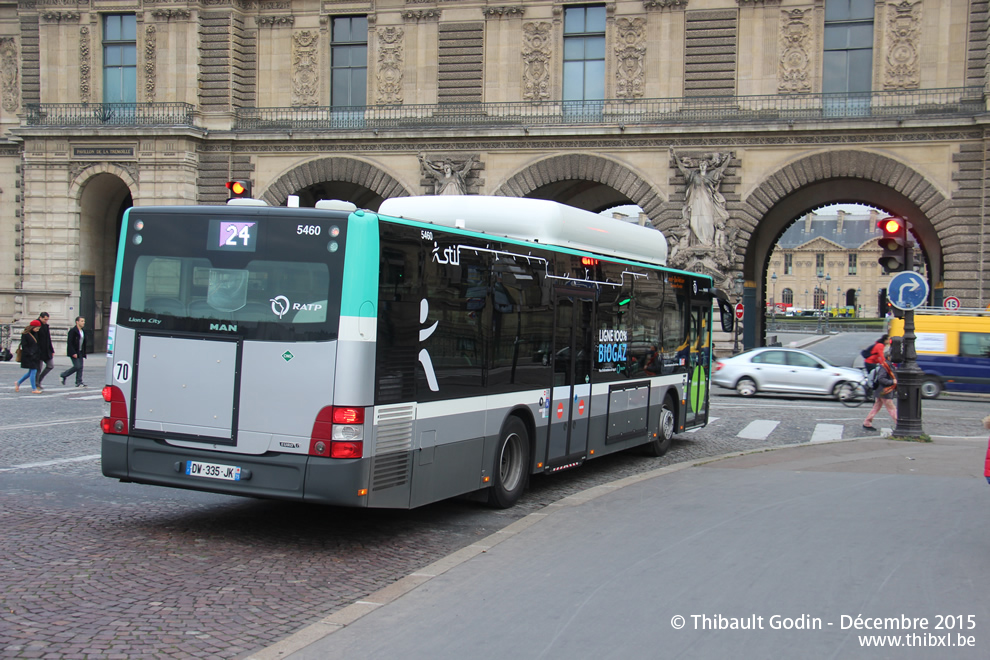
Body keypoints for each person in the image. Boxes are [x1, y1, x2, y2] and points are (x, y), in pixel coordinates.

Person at [863, 351, 897, 430]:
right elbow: (881, 378)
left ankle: (867, 422)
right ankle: (899, 424)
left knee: (876, 407)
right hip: (885, 391)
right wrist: (892, 382)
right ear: (888, 356)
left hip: (881, 391)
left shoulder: (887, 365)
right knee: (891, 408)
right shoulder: (886, 366)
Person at [15, 320, 43, 393]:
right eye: (37, 328)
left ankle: (18, 383)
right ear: (32, 327)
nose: (38, 330)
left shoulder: (36, 334)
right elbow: (24, 345)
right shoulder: (25, 334)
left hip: (35, 355)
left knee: (31, 372)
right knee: (33, 371)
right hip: (29, 356)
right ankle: (34, 389)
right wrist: (31, 353)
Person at [59, 316, 87, 387]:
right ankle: (63, 375)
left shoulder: (83, 331)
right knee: (77, 366)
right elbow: (70, 343)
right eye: (82, 321)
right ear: (77, 322)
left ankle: (79, 382)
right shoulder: (73, 331)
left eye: (84, 321)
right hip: (74, 351)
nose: (83, 322)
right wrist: (73, 352)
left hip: (80, 351)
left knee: (81, 367)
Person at [34, 311, 55, 389]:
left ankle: (39, 380)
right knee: (38, 368)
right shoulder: (36, 325)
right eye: (45, 319)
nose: (46, 321)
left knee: (50, 365)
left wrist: (51, 350)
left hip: (46, 350)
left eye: (47, 320)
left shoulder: (46, 326)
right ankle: (37, 383)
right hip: (38, 351)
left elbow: (48, 339)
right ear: (40, 318)